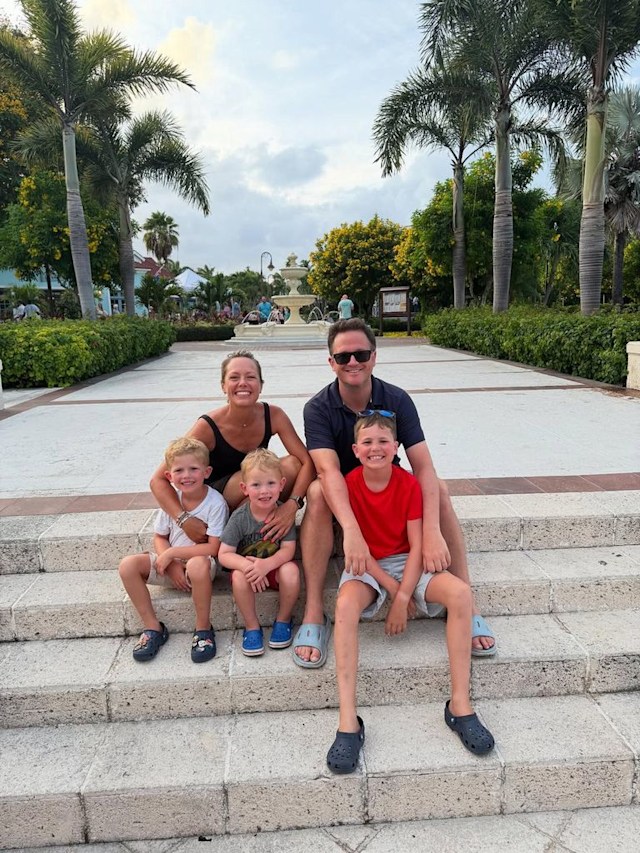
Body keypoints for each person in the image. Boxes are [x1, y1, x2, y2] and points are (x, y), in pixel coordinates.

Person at [293, 318, 496, 668]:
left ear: (374, 357)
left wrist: (431, 530)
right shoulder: (318, 407)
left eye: (361, 354)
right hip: (346, 495)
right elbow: (328, 471)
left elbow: (423, 466)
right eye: (343, 357)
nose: (353, 362)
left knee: (439, 489)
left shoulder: (397, 399)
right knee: (317, 491)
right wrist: (351, 531)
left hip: (387, 486)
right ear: (331, 363)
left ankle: (469, 606)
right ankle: (313, 611)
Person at [326, 412, 494, 773]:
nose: (375, 448)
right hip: (368, 563)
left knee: (460, 594)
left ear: (396, 447)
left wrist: (404, 597)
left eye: (383, 441)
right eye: (367, 442)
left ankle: (460, 706)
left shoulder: (408, 484)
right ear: (355, 450)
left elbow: (417, 546)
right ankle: (347, 721)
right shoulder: (349, 485)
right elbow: (359, 551)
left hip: (408, 561)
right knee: (344, 605)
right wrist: (391, 590)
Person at [150, 350, 314, 548]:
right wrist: (183, 519)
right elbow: (158, 480)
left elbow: (306, 462)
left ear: (261, 385)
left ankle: (250, 534)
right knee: (260, 473)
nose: (243, 383)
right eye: (234, 377)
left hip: (250, 495)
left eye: (250, 377)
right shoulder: (208, 426)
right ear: (223, 386)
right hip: (217, 502)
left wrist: (292, 505)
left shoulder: (273, 415)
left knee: (291, 464)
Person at [119, 437, 229, 663]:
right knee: (128, 565)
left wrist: (172, 554)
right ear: (169, 476)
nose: (186, 475)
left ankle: (203, 629)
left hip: (201, 567)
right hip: (171, 566)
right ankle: (153, 628)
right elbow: (160, 536)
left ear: (207, 472)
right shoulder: (172, 500)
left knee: (198, 564)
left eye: (193, 469)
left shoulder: (215, 503)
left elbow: (213, 547)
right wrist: (169, 562)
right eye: (179, 470)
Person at [219, 449, 300, 656]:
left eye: (271, 483)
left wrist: (266, 565)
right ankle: (252, 626)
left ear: (282, 485)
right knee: (238, 576)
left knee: (291, 570)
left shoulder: (283, 515)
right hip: (249, 575)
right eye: (256, 485)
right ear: (244, 488)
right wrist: (249, 567)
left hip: (274, 570)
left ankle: (283, 620)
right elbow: (224, 554)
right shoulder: (239, 518)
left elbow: (288, 550)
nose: (264, 491)